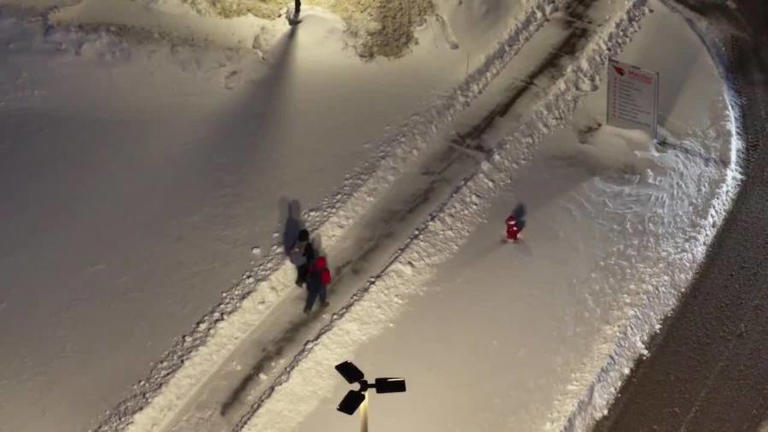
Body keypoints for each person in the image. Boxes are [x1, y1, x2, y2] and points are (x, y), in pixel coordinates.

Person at [292, 229, 329, 313]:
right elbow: (314, 260)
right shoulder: (308, 248)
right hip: (314, 273)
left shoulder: (297, 248)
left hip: (307, 275)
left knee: (312, 291)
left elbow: (296, 262)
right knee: (321, 288)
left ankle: (308, 308)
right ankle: (322, 302)